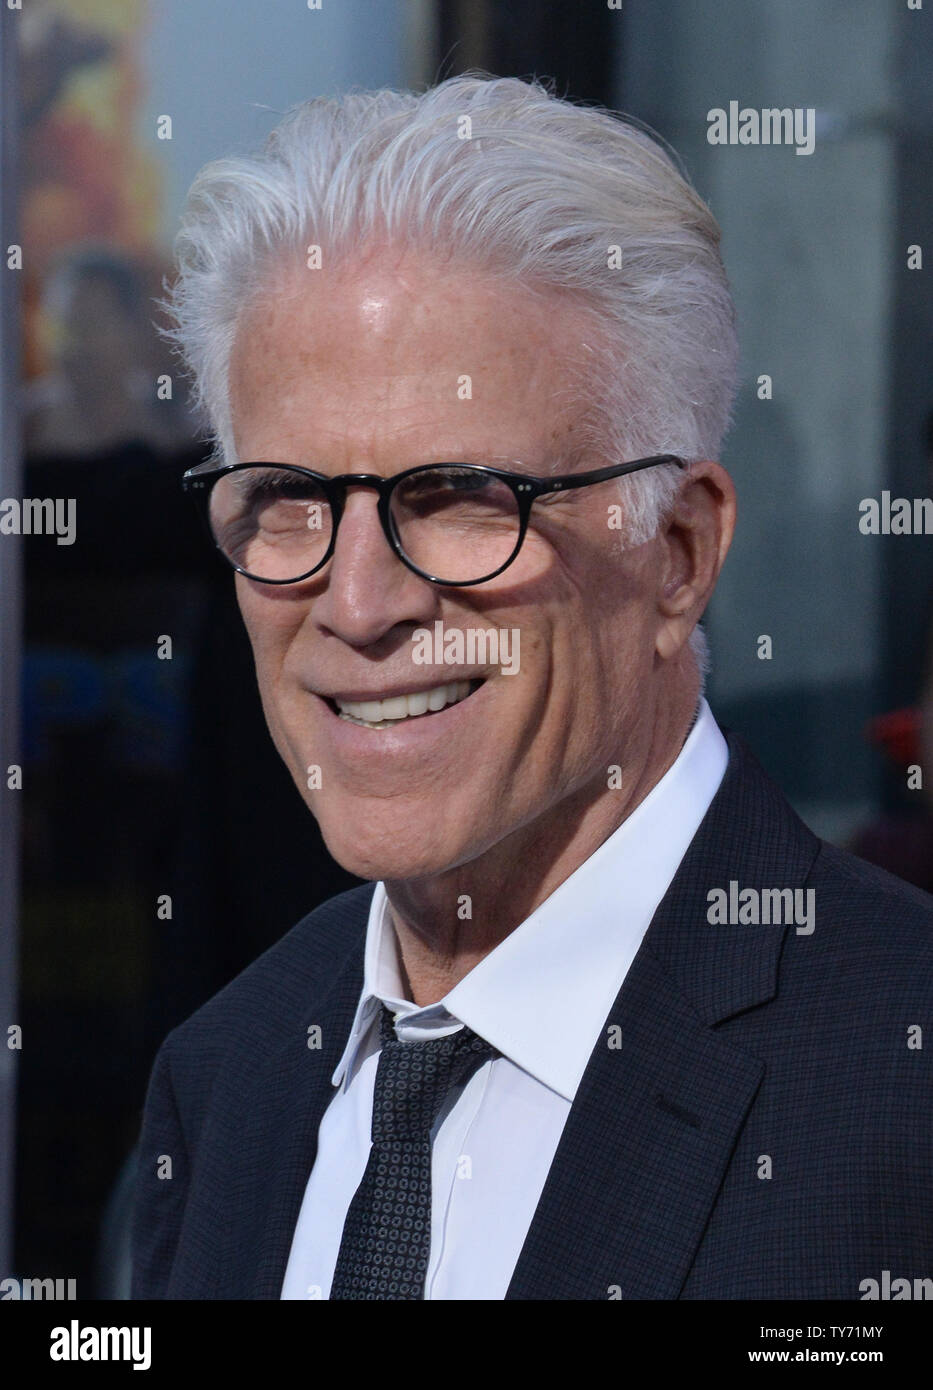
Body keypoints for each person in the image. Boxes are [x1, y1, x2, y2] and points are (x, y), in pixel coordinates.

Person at [130, 75, 933, 1301]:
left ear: (677, 552)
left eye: (458, 497)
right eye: (290, 500)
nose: (356, 604)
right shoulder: (227, 1071)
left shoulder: (899, 1089)